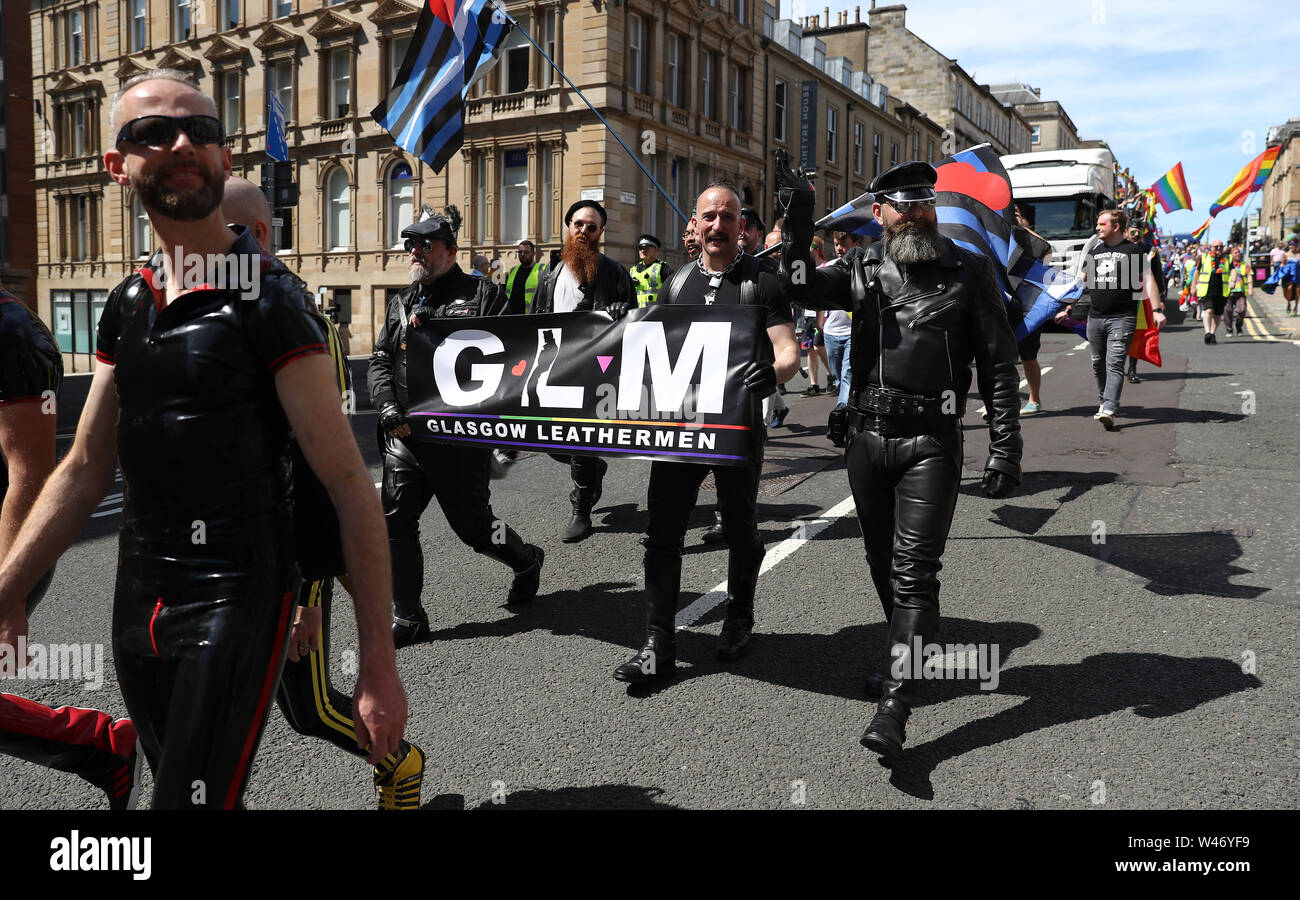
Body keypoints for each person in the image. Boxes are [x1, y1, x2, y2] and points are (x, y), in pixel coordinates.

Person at [0, 71, 406, 808]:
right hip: (139, 599)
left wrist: (377, 657)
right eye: (152, 132)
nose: (182, 142)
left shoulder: (272, 304)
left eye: (201, 130)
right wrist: (8, 586)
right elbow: (85, 466)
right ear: (117, 165)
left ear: (224, 158)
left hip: (238, 594)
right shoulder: (128, 303)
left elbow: (347, 482)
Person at [777, 157, 1023, 760]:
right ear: (879, 215)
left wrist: (1005, 445)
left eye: (923, 203)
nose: (915, 213)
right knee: (881, 562)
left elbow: (997, 361)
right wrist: (800, 216)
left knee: (915, 570)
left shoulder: (968, 270)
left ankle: (896, 701)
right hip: (865, 439)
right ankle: (911, 660)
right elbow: (796, 286)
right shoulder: (859, 266)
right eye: (901, 204)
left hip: (931, 443)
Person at [222, 176, 425, 809]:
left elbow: (322, 470)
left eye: (210, 234)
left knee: (307, 711)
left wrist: (305, 592)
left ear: (254, 236)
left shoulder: (298, 317)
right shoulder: (203, 311)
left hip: (289, 552)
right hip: (223, 556)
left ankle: (399, 760)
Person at [610, 183, 799, 685]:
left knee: (739, 528)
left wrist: (771, 374)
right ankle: (657, 643)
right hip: (678, 431)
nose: (718, 226)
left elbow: (788, 354)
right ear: (695, 224)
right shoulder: (674, 284)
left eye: (728, 217)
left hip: (737, 429)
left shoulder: (765, 281)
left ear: (742, 226)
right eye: (709, 217)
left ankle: (739, 616)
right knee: (662, 534)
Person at [370, 210, 544, 647]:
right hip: (406, 437)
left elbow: (514, 359)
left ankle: (525, 560)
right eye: (411, 245)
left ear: (451, 250)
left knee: (476, 530)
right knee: (396, 520)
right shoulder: (402, 300)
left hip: (459, 442)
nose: (415, 252)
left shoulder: (483, 294)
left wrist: (446, 336)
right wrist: (388, 406)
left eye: (425, 245)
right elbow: (379, 361)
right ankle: (408, 616)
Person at [0, 289, 141, 810]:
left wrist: (10, 600)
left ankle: (101, 744)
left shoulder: (12, 335)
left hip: (8, 551)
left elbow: (30, 478)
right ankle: (101, 745)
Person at [530, 200, 634, 542]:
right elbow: (534, 319)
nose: (584, 232)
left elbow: (634, 320)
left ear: (601, 232)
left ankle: (581, 508)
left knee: (579, 439)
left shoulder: (614, 271)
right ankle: (593, 467)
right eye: (578, 225)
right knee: (551, 439)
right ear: (569, 227)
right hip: (553, 366)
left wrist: (621, 309)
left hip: (594, 369)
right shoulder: (550, 272)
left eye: (592, 226)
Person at [1059, 208, 1165, 429]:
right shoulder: (1095, 252)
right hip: (1095, 317)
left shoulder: (1133, 251)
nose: (1097, 227)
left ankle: (1109, 407)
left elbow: (1147, 279)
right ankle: (1103, 399)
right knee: (1098, 363)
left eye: (1101, 224)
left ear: (1116, 227)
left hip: (1122, 318)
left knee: (1114, 363)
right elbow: (1081, 282)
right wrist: (1068, 307)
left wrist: (1156, 309)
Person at [1013, 203, 1053, 411]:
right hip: (1002, 304)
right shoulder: (997, 234)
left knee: (1028, 357)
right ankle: (1004, 403)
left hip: (1028, 306)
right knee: (1001, 359)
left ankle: (1034, 400)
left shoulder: (1029, 239)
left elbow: (1046, 249)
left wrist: (1020, 225)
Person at [1196, 239, 1230, 342]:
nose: (1219, 248)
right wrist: (1192, 286)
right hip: (1208, 290)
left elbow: (1233, 270)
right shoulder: (1203, 257)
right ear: (1212, 247)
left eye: (1221, 246)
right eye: (1216, 247)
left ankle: (1212, 333)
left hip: (1222, 291)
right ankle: (1207, 333)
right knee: (1209, 310)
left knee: (1217, 315)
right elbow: (1196, 272)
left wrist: (1233, 280)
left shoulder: (1228, 259)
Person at [504, 239, 547, 315]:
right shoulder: (512, 271)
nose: (522, 254)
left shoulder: (542, 269)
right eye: (520, 252)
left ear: (534, 254)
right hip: (511, 316)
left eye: (526, 252)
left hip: (531, 316)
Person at [630, 234, 672, 308]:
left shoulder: (663, 268)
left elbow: (672, 292)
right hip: (637, 314)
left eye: (646, 248)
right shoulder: (633, 270)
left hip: (655, 314)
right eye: (640, 248)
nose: (642, 250)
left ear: (655, 250)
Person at [1225, 245, 1251, 336]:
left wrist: (1251, 288)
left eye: (1238, 253)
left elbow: (1249, 275)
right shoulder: (1226, 265)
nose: (1237, 254)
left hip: (1241, 291)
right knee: (1228, 311)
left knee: (1242, 310)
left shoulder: (1244, 265)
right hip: (1228, 291)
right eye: (1235, 252)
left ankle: (1238, 326)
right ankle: (1229, 330)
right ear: (1231, 254)